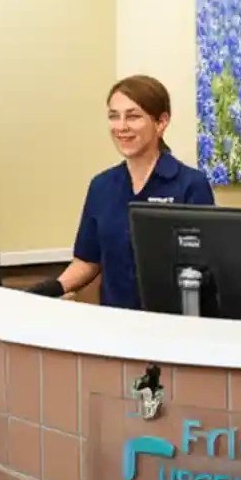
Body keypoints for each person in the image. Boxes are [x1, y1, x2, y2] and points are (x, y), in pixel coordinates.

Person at [28, 75, 215, 308]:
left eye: (133, 116)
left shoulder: (190, 184)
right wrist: (53, 287)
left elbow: (205, 267)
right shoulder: (101, 186)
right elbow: (88, 260)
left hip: (171, 321)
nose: (121, 126)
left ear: (161, 122)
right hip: (115, 320)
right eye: (114, 116)